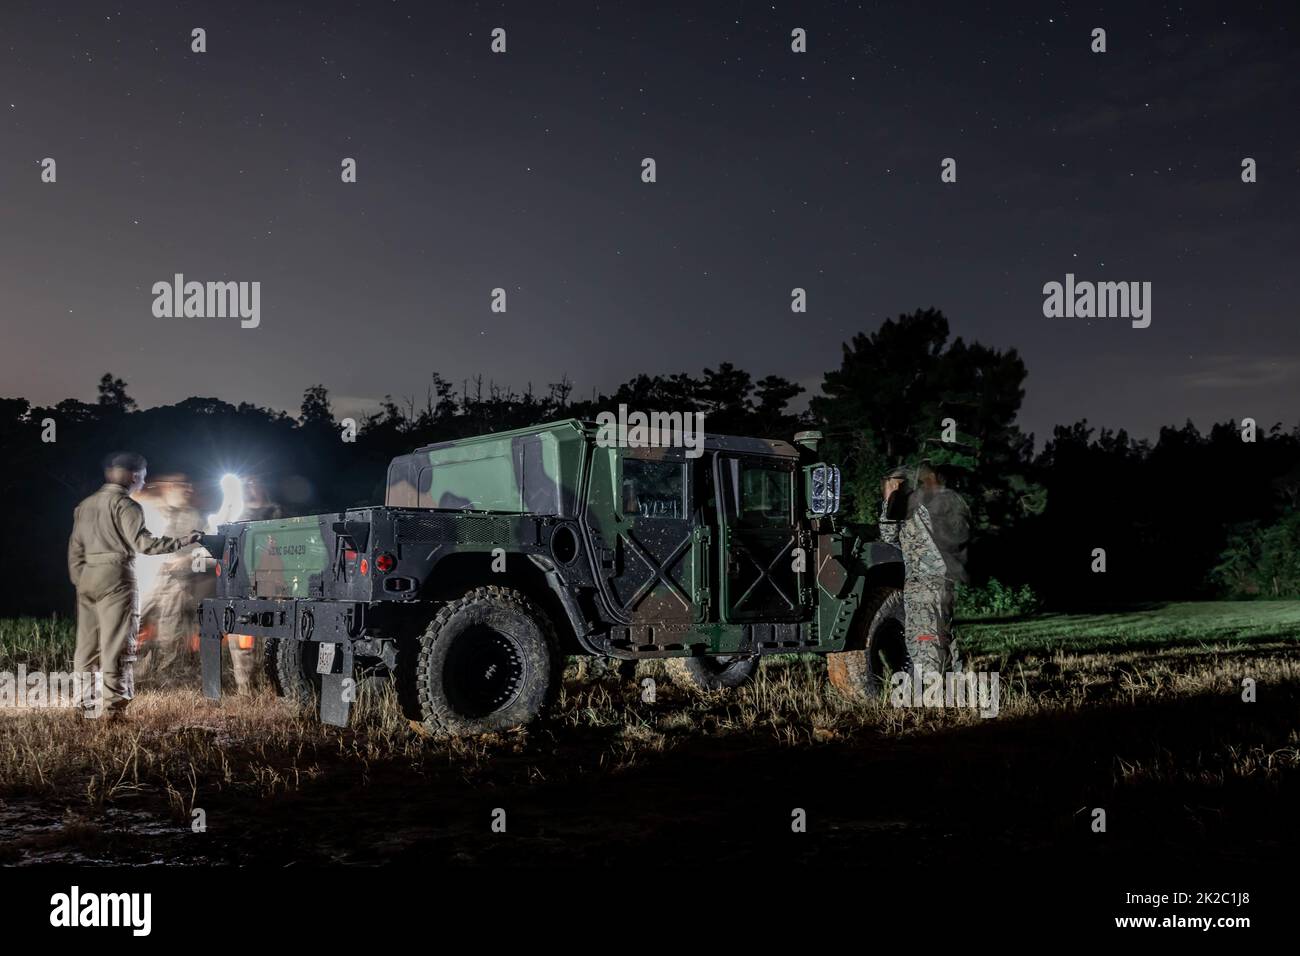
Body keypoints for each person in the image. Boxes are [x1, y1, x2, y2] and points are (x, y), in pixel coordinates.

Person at [68, 452, 202, 719]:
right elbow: (144, 544)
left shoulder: (84, 506)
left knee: (86, 646)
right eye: (143, 477)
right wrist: (181, 541)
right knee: (118, 644)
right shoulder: (127, 506)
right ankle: (113, 710)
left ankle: (83, 707)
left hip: (87, 578)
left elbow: (75, 549)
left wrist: (80, 579)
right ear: (134, 476)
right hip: (117, 576)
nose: (143, 484)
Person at [879, 460, 971, 680]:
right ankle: (955, 684)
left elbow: (888, 535)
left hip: (922, 581)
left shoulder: (905, 503)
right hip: (943, 578)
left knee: (924, 638)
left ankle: (932, 693)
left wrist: (890, 497)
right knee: (945, 635)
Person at [136, 475, 209, 684]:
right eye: (180, 485)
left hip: (177, 583)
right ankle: (136, 674)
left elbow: (209, 555)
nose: (187, 489)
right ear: (167, 487)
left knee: (171, 633)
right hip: (149, 579)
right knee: (135, 624)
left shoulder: (196, 518)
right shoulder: (152, 510)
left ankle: (168, 677)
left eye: (188, 485)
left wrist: (186, 560)